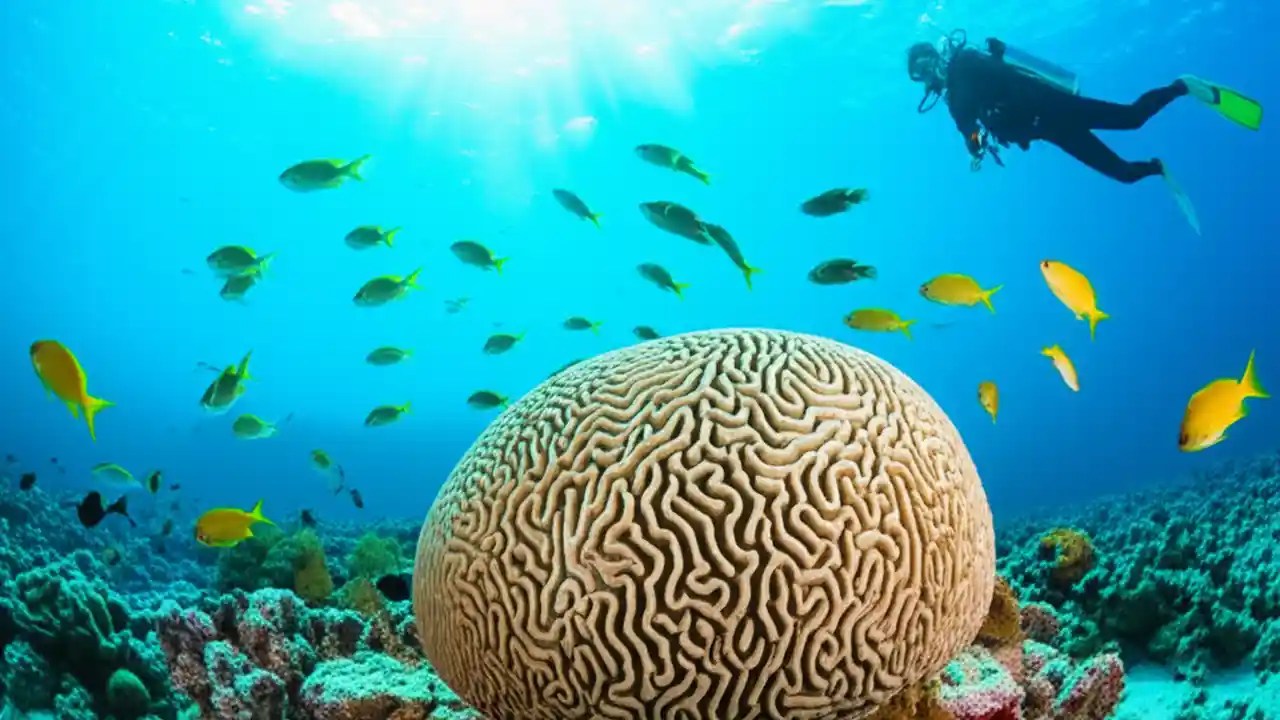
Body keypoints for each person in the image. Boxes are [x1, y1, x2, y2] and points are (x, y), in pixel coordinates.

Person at [907, 31, 1262, 187]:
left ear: (936, 56)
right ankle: (1158, 168)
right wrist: (976, 149)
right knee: (1123, 174)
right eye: (920, 72)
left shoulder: (967, 62)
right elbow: (970, 134)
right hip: (1051, 130)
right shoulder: (955, 102)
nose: (927, 71)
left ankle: (1182, 86)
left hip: (1054, 105)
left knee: (1132, 118)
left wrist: (977, 143)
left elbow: (1006, 74)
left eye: (926, 62)